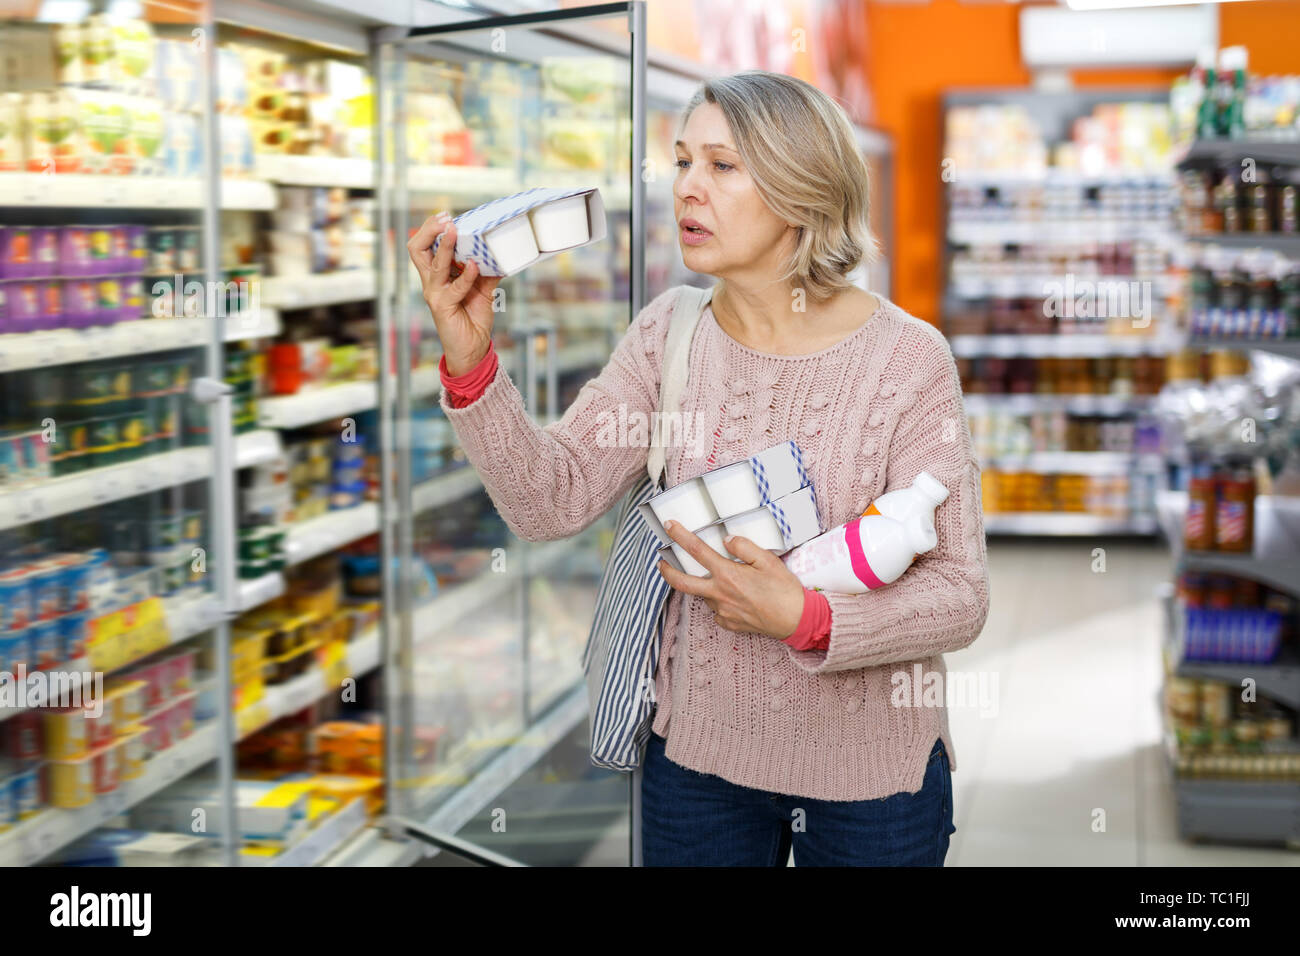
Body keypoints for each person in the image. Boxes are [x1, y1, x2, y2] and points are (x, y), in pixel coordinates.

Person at [407, 70, 989, 867]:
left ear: (802, 185)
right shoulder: (670, 333)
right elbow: (550, 500)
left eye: (722, 164)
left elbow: (960, 592)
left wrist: (809, 620)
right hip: (698, 772)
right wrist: (470, 360)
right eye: (682, 161)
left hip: (872, 783)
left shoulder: (908, 359)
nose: (687, 187)